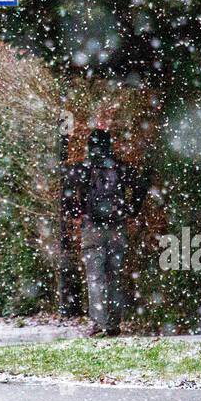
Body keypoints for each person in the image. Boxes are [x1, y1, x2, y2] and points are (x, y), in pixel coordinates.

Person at [74, 128, 145, 337]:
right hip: (117, 227)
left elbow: (69, 198)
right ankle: (114, 322)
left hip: (92, 227)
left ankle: (98, 322)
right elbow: (140, 187)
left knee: (95, 277)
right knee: (115, 275)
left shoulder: (83, 168)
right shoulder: (121, 167)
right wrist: (131, 210)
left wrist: (80, 212)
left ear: (89, 146)